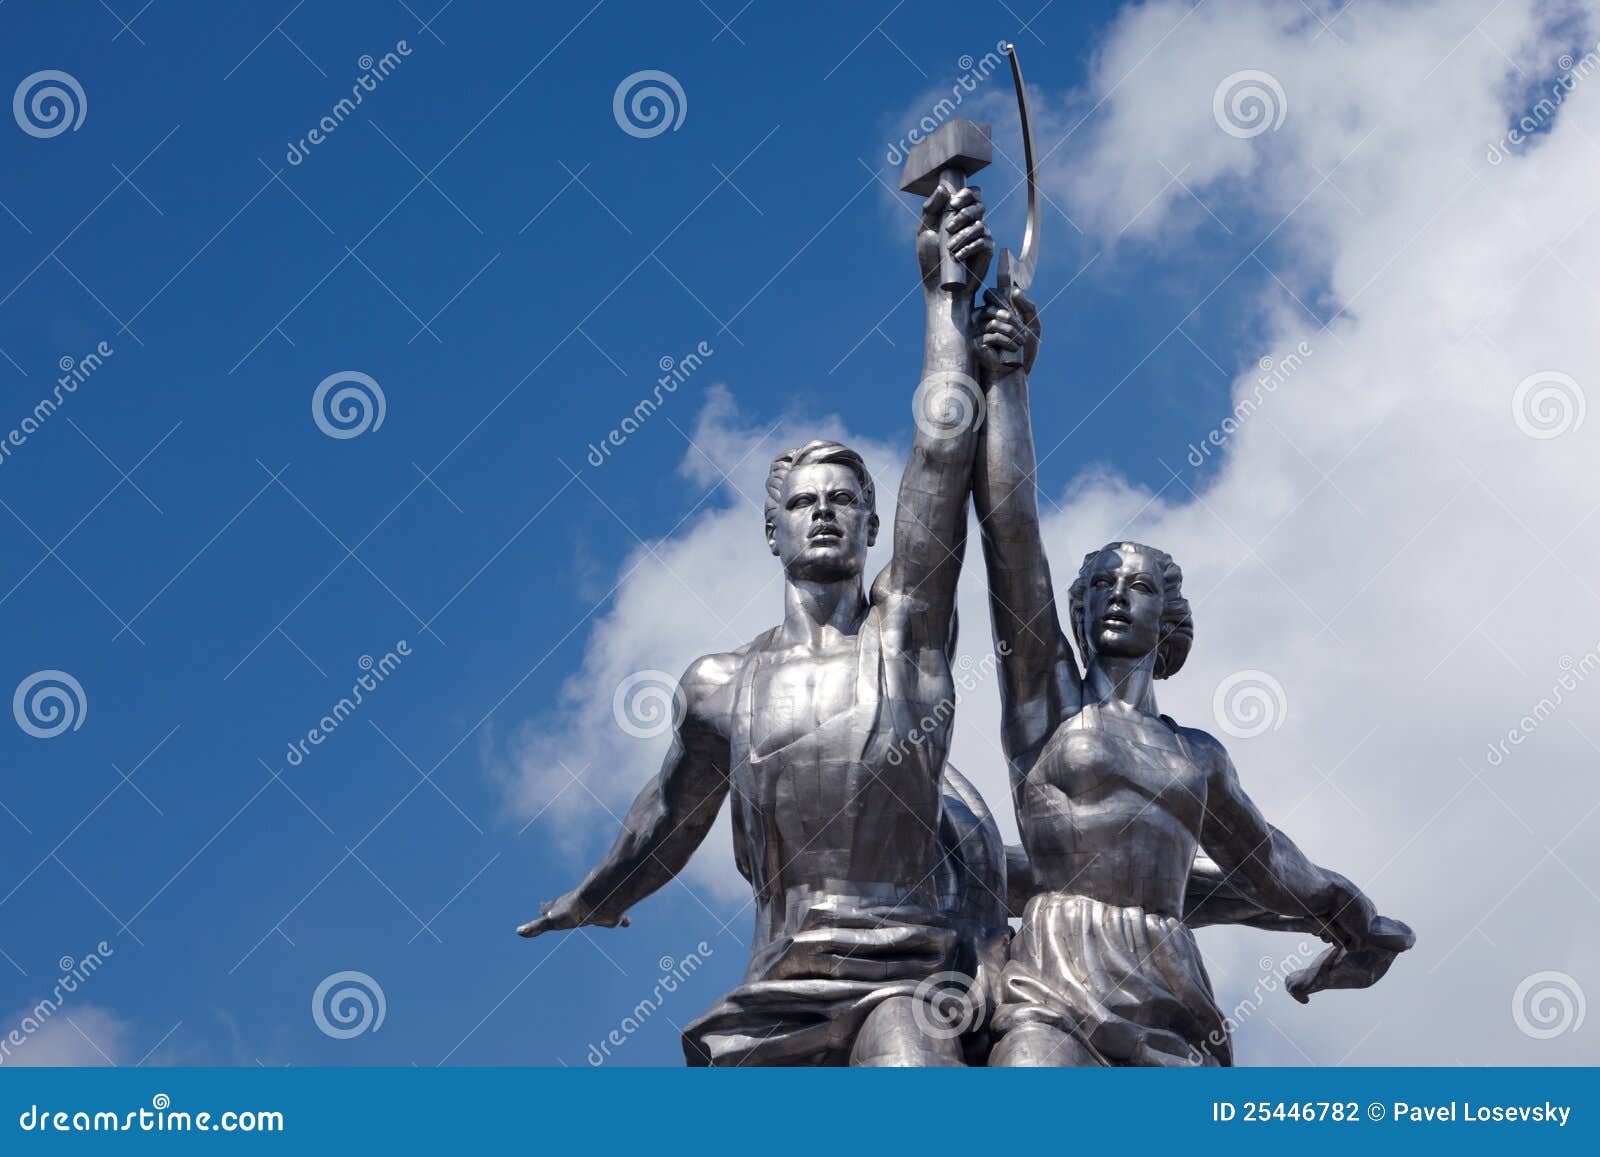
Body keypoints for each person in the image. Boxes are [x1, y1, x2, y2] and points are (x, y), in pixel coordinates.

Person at [518, 184, 1007, 1066]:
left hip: (906, 968)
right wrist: (596, 894)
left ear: (872, 527)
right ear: (771, 530)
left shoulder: (906, 637)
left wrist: (944, 300)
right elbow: (668, 817)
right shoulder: (719, 685)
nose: (824, 513)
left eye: (845, 502)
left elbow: (942, 449)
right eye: (803, 502)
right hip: (778, 981)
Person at [967, 289, 1413, 1067]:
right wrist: (1008, 382)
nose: (1114, 594)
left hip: (1170, 988)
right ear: (1075, 610)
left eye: (1134, 586)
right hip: (1053, 977)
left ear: (1168, 620)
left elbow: (1271, 869)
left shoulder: (1199, 758)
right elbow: (1012, 528)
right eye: (1100, 582)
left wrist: (1355, 922)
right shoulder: (1049, 709)